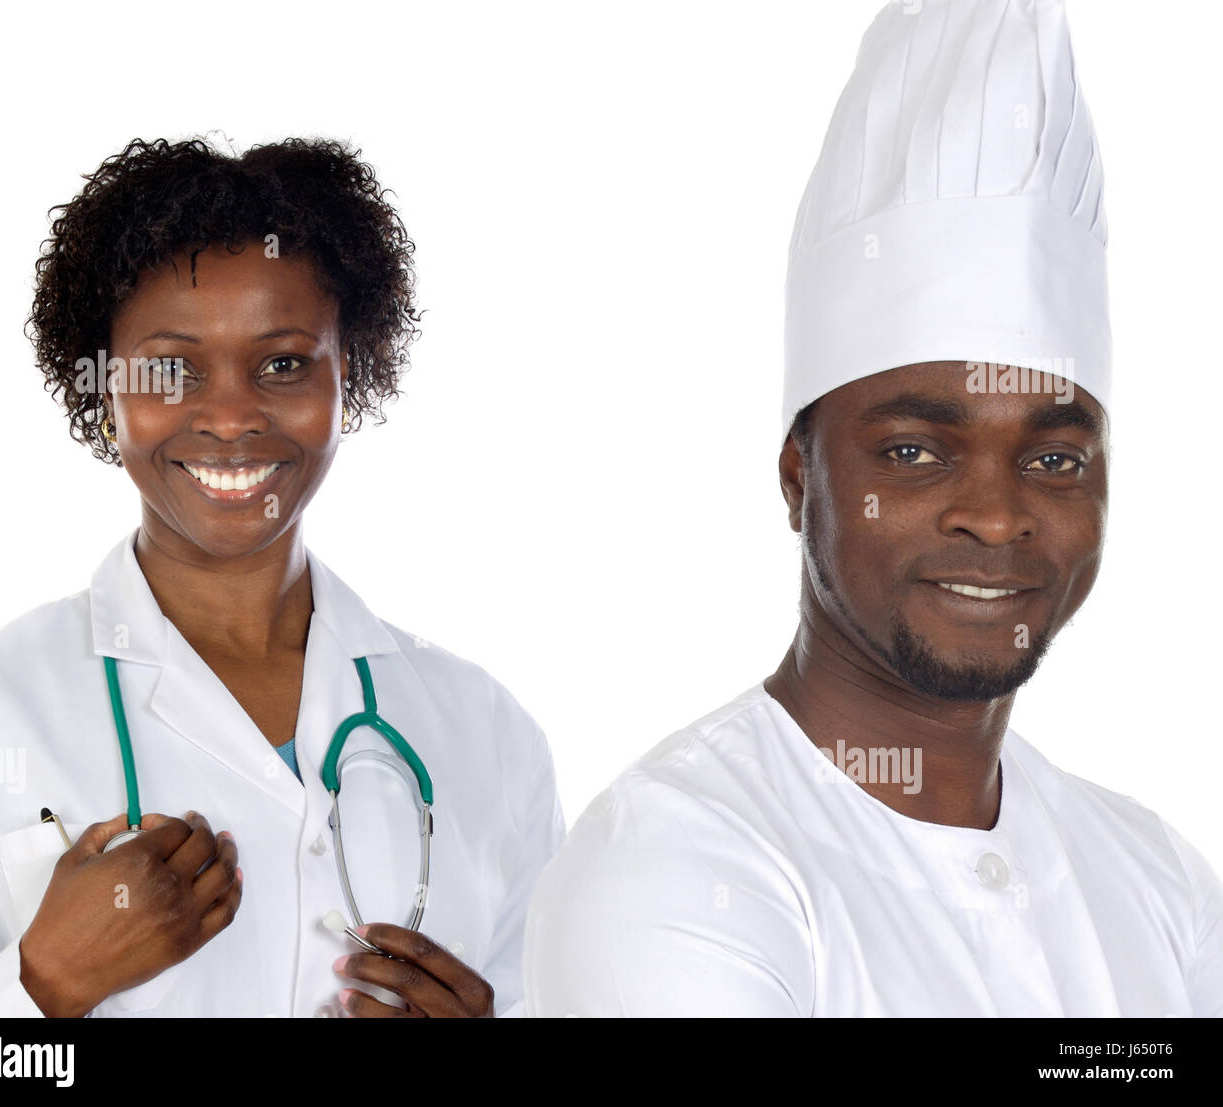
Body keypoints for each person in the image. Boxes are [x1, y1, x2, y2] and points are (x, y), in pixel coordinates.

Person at [523, 0, 1222, 1016]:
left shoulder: (1155, 881)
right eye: (913, 451)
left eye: (1055, 457)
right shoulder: (675, 868)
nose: (996, 516)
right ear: (798, 478)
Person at [0, 136, 564, 1018]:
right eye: (170, 369)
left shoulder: (490, 737)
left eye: (284, 363)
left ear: (354, 372)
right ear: (104, 391)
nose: (229, 417)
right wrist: (44, 983)